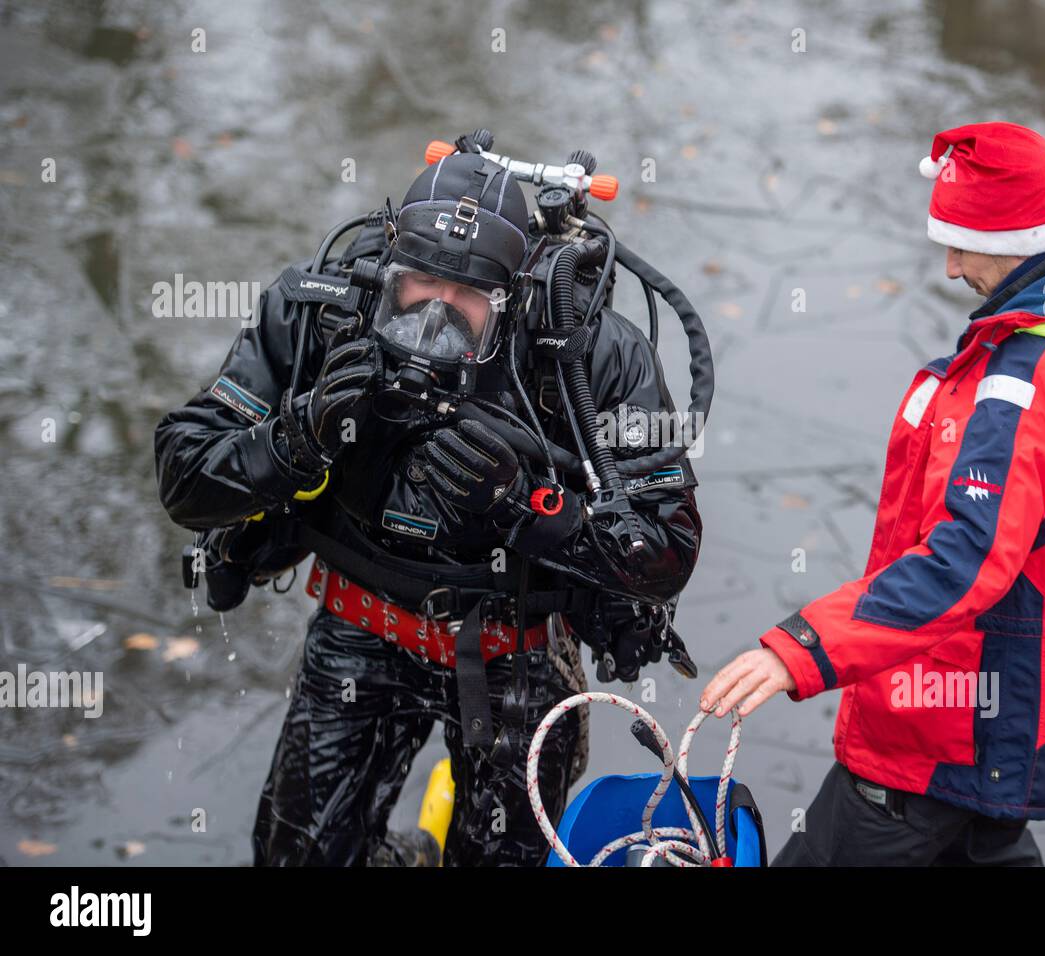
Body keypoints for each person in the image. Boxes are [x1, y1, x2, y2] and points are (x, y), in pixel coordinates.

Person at [155, 145, 703, 866]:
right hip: (361, 624)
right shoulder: (322, 317)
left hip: (519, 648)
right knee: (296, 858)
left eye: (469, 299)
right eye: (420, 285)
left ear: (516, 296)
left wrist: (526, 510)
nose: (438, 314)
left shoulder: (587, 354)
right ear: (388, 268)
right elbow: (184, 473)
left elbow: (667, 550)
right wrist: (299, 435)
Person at [700, 121, 1045, 866]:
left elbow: (965, 559)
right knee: (984, 836)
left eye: (961, 243)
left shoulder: (1033, 378)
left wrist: (805, 649)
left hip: (950, 725)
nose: (950, 268)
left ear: (1022, 242)